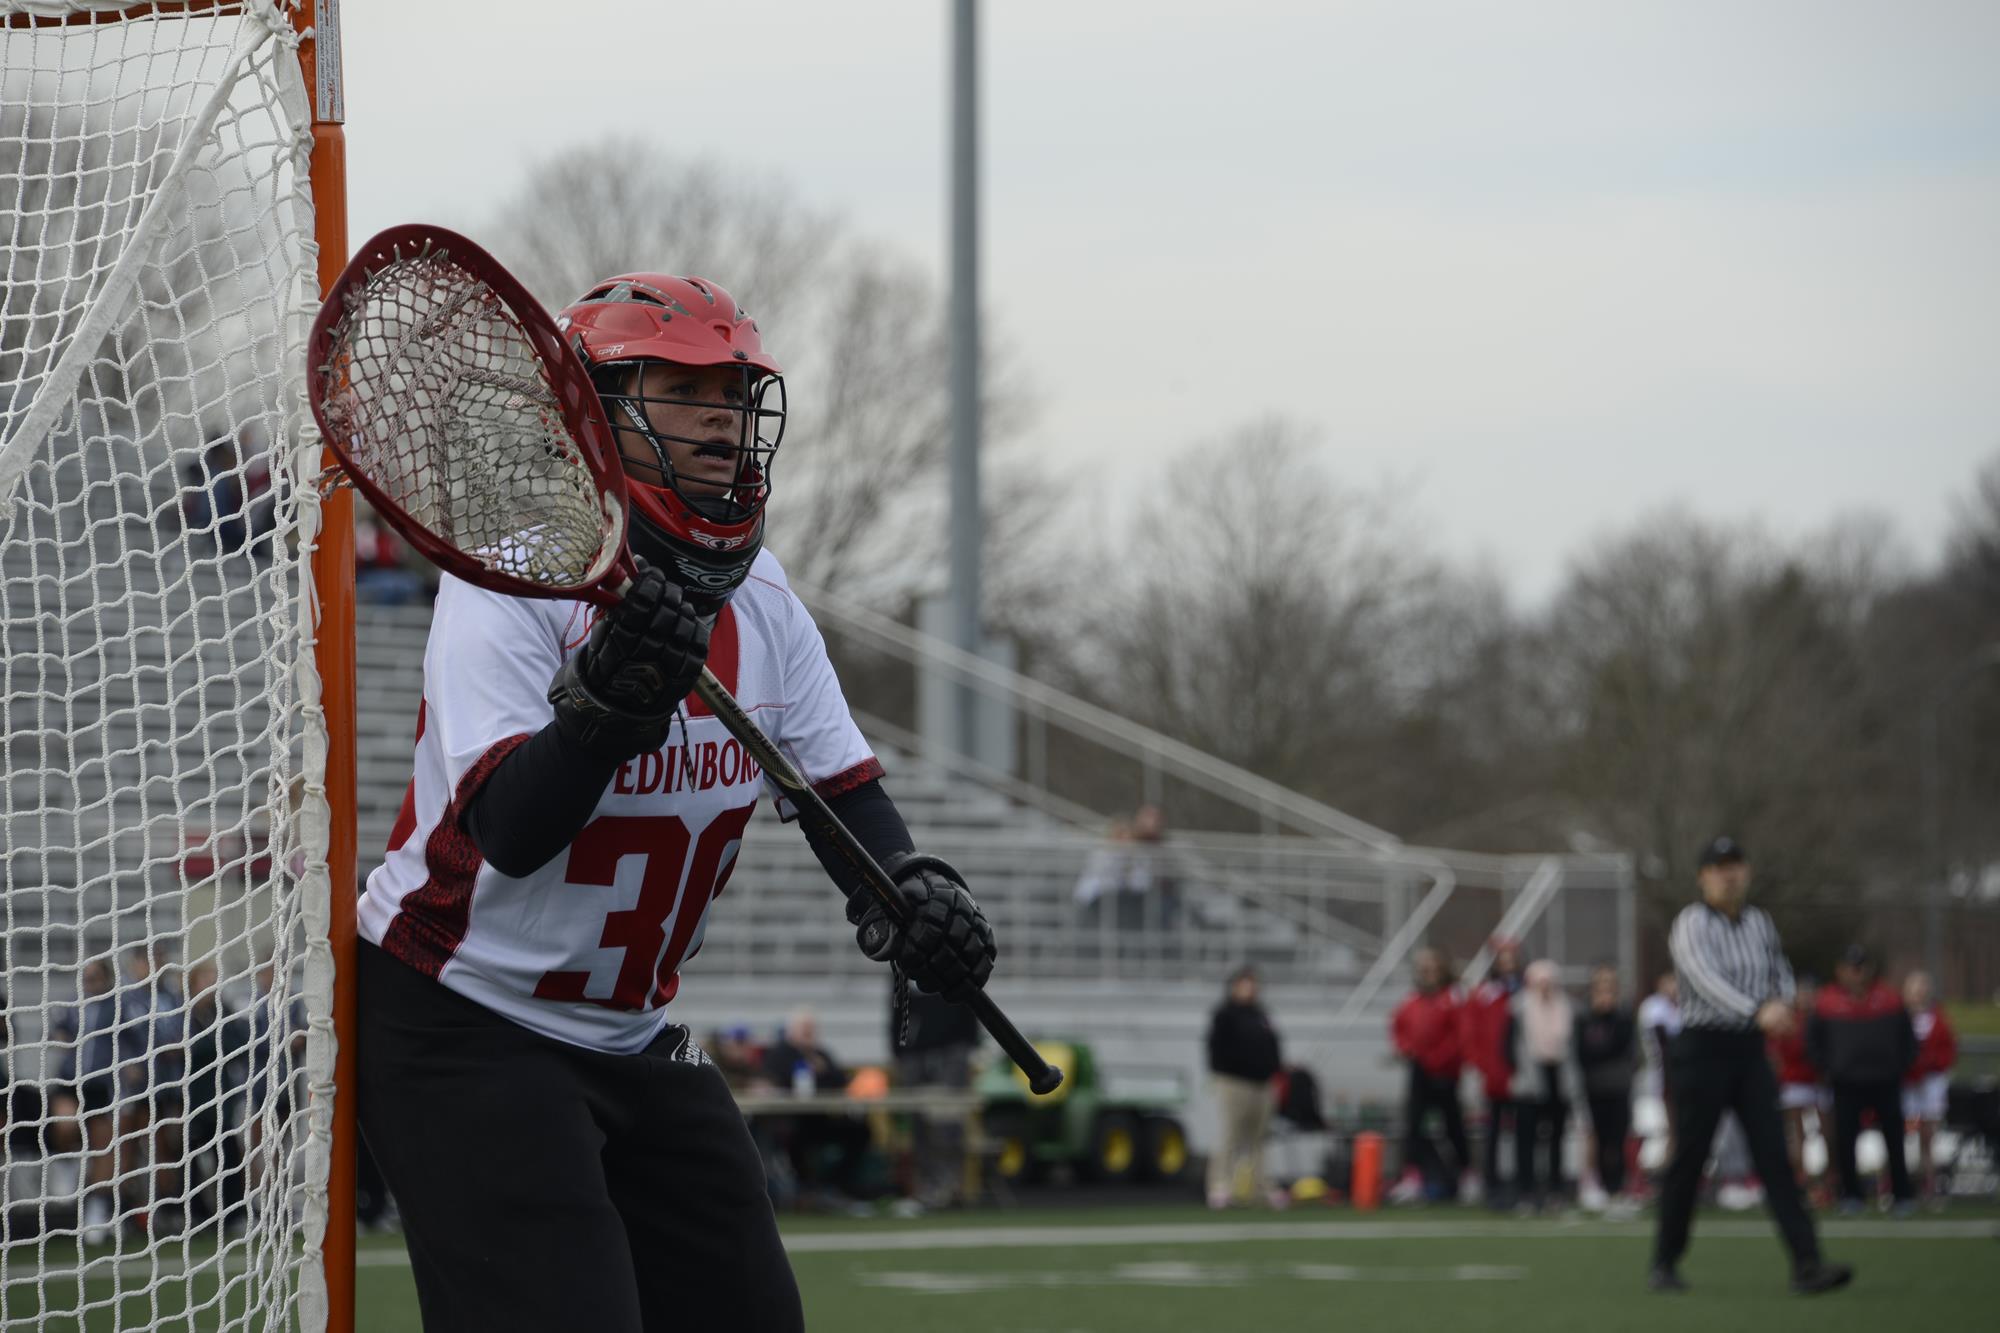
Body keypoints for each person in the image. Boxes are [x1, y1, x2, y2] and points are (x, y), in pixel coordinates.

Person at [353, 271, 998, 1333]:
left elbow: (842, 792)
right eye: (684, 389)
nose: (721, 417)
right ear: (593, 413)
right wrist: (605, 708)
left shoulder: (764, 597)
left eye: (734, 392)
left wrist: (911, 889)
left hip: (628, 1028)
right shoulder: (511, 580)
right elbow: (509, 830)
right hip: (462, 1011)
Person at [1649, 837, 1850, 1296]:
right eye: (1719, 868)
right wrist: (1757, 1009)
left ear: (1747, 872)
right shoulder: (1690, 922)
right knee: (1691, 1157)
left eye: (1735, 866)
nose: (1729, 875)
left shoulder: (1760, 921)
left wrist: (1783, 1003)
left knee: (1774, 1155)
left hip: (1748, 1050)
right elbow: (1704, 978)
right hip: (1702, 1048)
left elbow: (1779, 968)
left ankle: (1807, 1263)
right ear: (1703, 876)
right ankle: (1664, 1260)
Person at [1807, 945, 1916, 1215]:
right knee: (1845, 1139)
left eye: (1860, 967)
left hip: (1885, 1081)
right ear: (1840, 970)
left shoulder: (1889, 999)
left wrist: (1898, 1067)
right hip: (1846, 1083)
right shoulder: (1827, 1001)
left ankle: (1901, 1194)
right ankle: (1851, 1195)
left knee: (1894, 1138)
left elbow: (1908, 1039)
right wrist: (1829, 1069)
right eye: (1851, 968)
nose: (1856, 974)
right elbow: (1812, 1042)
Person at [761, 1011, 871, 1206]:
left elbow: (841, 1082)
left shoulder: (820, 1054)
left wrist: (824, 1070)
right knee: (792, 1140)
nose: (808, 1034)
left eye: (811, 1029)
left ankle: (832, 1184)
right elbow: (773, 1083)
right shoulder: (779, 1054)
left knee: (860, 1132)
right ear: (792, 1031)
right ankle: (806, 1190)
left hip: (820, 1119)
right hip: (789, 1121)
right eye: (804, 1029)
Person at [890, 973, 980, 1209]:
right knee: (919, 1124)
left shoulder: (953, 955)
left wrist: (969, 1045)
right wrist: (898, 1050)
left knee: (949, 1123)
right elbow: (897, 1005)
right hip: (915, 1053)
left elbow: (972, 992)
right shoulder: (903, 963)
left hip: (952, 1050)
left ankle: (951, 1185)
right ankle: (926, 1187)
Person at [1388, 948, 1470, 1203]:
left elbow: (1460, 1035)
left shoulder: (1453, 997)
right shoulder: (1412, 999)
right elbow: (1398, 1027)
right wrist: (1407, 1049)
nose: (1428, 973)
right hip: (1419, 1070)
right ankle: (1413, 1177)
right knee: (1414, 1124)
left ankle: (1466, 1175)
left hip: (1445, 1071)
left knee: (1453, 1125)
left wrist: (1437, 1057)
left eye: (1432, 967)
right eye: (1423, 968)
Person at [1205, 966, 1282, 1209]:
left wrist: (1273, 1070)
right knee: (1231, 1135)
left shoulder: (1261, 1014)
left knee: (1260, 1139)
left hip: (1262, 1084)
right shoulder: (1225, 1014)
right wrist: (1225, 1071)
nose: (1250, 988)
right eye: (1245, 984)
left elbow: (1274, 1045)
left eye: (1253, 984)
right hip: (1235, 1082)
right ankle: (1220, 1186)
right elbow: (1216, 1048)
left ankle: (1261, 1188)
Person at [1507, 959, 1575, 1212]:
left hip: (1559, 1078)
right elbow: (1508, 1047)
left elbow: (1571, 1047)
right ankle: (1525, 1191)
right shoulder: (1518, 1008)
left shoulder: (1565, 1007)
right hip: (1528, 1081)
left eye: (1549, 982)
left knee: (1556, 1138)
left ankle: (1555, 1190)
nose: (1545, 987)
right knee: (1526, 1138)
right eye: (1540, 982)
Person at [1462, 936, 1522, 1207]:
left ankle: (1522, 1182)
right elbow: (1472, 1032)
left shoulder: (1525, 990)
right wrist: (1482, 1065)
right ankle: (1491, 1183)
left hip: (1523, 1075)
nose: (1507, 964)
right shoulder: (1485, 994)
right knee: (1493, 1130)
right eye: (1502, 958)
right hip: (1495, 1074)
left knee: (1523, 1131)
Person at [1574, 963, 1638, 1215]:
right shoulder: (1584, 1016)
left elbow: (1620, 1046)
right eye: (1600, 983)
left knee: (1618, 1138)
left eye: (1609, 983)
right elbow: (1584, 1051)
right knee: (1597, 1138)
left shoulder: (1623, 1015)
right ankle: (1597, 1185)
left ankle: (1618, 1188)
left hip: (1619, 1085)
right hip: (1593, 1085)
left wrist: (1608, 1018)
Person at [1900, 971, 1956, 1203]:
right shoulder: (1900, 1018)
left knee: (1927, 1136)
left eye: (1922, 988)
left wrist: (1930, 1065)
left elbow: (1948, 1049)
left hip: (1930, 1084)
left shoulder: (1938, 1018)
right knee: (1900, 1134)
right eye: (1915, 989)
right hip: (1906, 1083)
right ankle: (1897, 1184)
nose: (1919, 993)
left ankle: (1929, 1185)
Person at [1768, 986, 1825, 1202]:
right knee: (1796, 1134)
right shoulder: (1789, 1022)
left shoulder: (1815, 1021)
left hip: (1815, 1083)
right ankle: (1800, 1178)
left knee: (1821, 1133)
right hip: (1793, 1084)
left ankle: (1823, 1180)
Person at [1636, 968, 1682, 1160]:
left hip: (1681, 1072)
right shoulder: (1652, 1007)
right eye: (1668, 982)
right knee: (1658, 1122)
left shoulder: (1684, 1005)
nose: (1672, 987)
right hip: (1659, 1071)